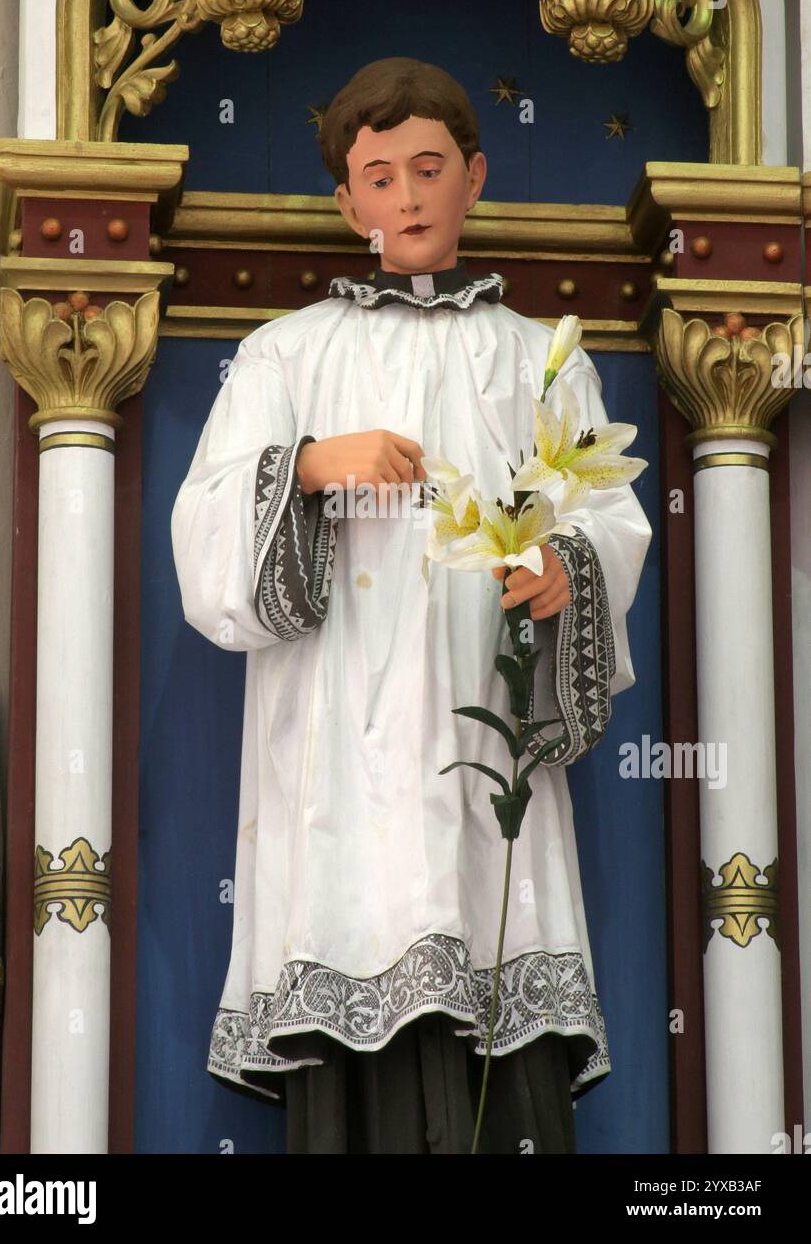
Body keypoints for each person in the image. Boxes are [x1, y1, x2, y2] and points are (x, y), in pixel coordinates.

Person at [170, 58, 651, 1154]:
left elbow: (609, 514)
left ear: (473, 176)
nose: (407, 197)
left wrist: (566, 569)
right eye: (378, 177)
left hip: (480, 740)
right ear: (348, 204)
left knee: (495, 996)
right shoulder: (284, 354)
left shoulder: (539, 360)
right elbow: (202, 538)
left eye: (428, 168)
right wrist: (304, 466)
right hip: (335, 757)